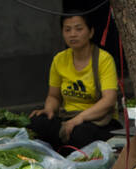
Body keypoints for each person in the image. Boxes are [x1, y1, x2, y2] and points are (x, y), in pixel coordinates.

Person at [29, 12, 119, 151]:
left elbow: (109, 100)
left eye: (79, 29)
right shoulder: (59, 59)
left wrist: (80, 118)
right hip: (68, 117)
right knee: (36, 123)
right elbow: (54, 96)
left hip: (97, 121)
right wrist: (49, 109)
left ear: (90, 32)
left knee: (79, 134)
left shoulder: (104, 59)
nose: (72, 34)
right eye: (67, 29)